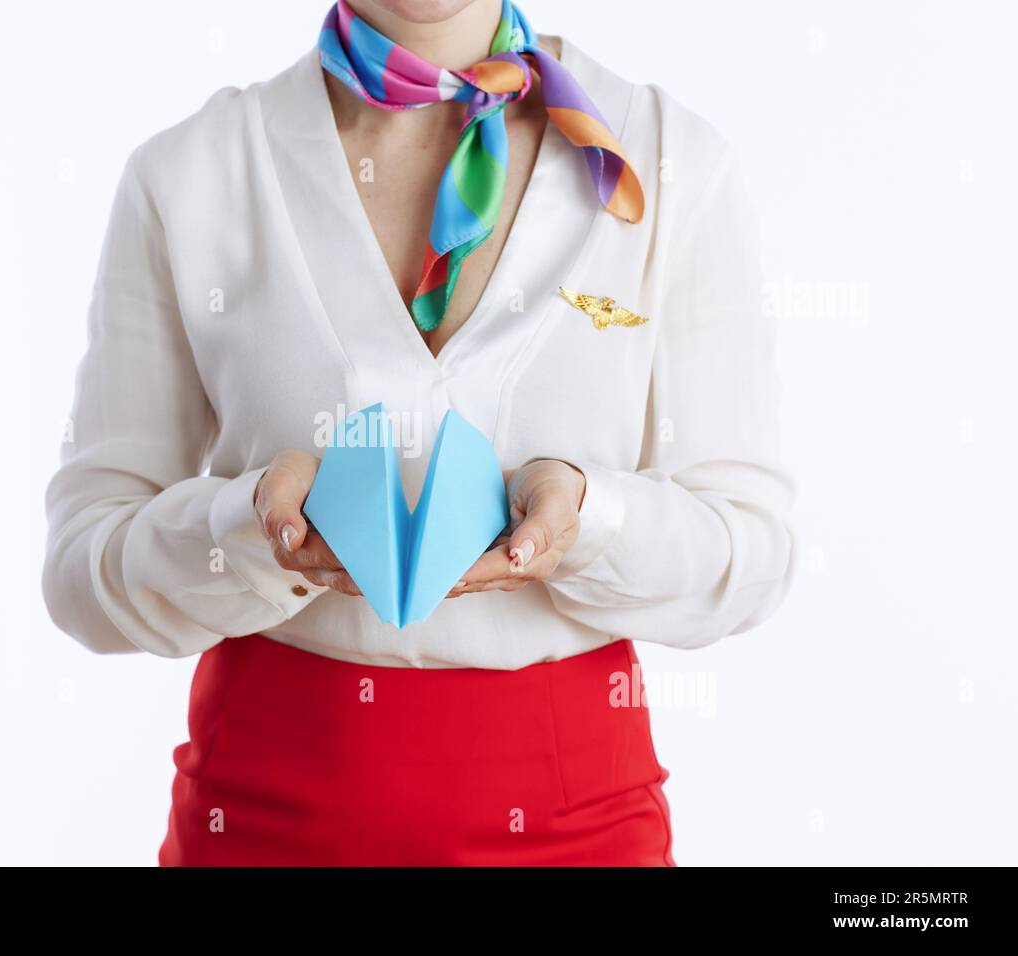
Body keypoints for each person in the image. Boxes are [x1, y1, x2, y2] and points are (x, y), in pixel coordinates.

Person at [42, 0, 796, 866]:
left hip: (577, 829)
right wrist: (247, 529)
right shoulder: (190, 173)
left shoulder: (667, 161)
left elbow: (752, 550)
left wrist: (588, 520)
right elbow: (81, 568)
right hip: (259, 823)